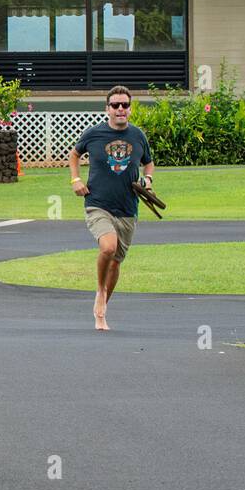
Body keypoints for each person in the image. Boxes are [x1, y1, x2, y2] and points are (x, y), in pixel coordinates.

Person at [70, 85, 154, 332]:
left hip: (128, 207)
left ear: (129, 108)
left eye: (124, 105)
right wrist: (75, 180)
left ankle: (102, 309)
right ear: (107, 108)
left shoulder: (138, 136)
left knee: (116, 263)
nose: (120, 109)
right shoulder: (94, 134)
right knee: (108, 246)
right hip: (98, 204)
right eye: (115, 105)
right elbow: (74, 155)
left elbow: (148, 164)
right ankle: (100, 290)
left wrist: (148, 181)